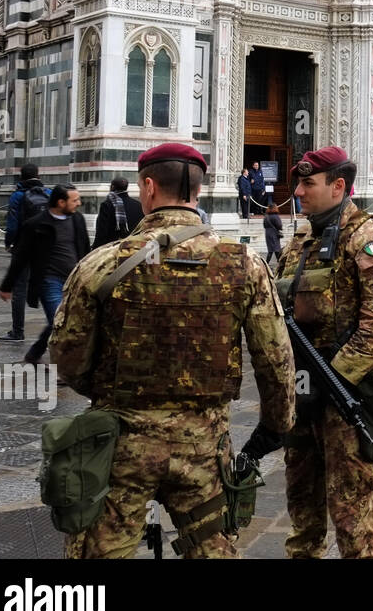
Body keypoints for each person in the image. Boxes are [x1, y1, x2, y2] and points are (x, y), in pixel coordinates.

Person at [49, 143, 296, 558]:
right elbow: (276, 361)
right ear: (198, 191)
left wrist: (108, 391)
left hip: (120, 446)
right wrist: (274, 428)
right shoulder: (245, 265)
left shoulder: (102, 263)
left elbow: (68, 356)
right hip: (204, 448)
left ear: (147, 187)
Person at [275, 146, 373, 558]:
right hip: (302, 394)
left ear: (339, 186)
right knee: (302, 503)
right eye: (299, 182)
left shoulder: (368, 239)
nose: (298, 191)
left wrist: (333, 381)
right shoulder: (302, 238)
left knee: (352, 512)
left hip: (344, 400)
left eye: (308, 184)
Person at [0, 183, 90, 364]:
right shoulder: (36, 225)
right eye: (75, 200)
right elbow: (20, 257)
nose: (79, 203)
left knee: (63, 321)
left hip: (74, 279)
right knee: (60, 321)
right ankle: (63, 368)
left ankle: (34, 354)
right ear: (61, 202)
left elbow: (85, 249)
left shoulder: (77, 219)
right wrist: (7, 286)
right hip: (49, 281)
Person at [0, 164, 50, 343]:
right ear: (38, 175)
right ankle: (54, 327)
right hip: (45, 247)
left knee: (19, 290)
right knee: (48, 288)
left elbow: (12, 223)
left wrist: (9, 243)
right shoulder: (48, 193)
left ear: (21, 177)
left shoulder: (17, 195)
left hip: (23, 247)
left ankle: (17, 332)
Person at [93, 177, 144, 248]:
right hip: (134, 249)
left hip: (113, 251)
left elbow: (102, 232)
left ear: (112, 187)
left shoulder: (107, 205)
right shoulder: (138, 205)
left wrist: (95, 248)